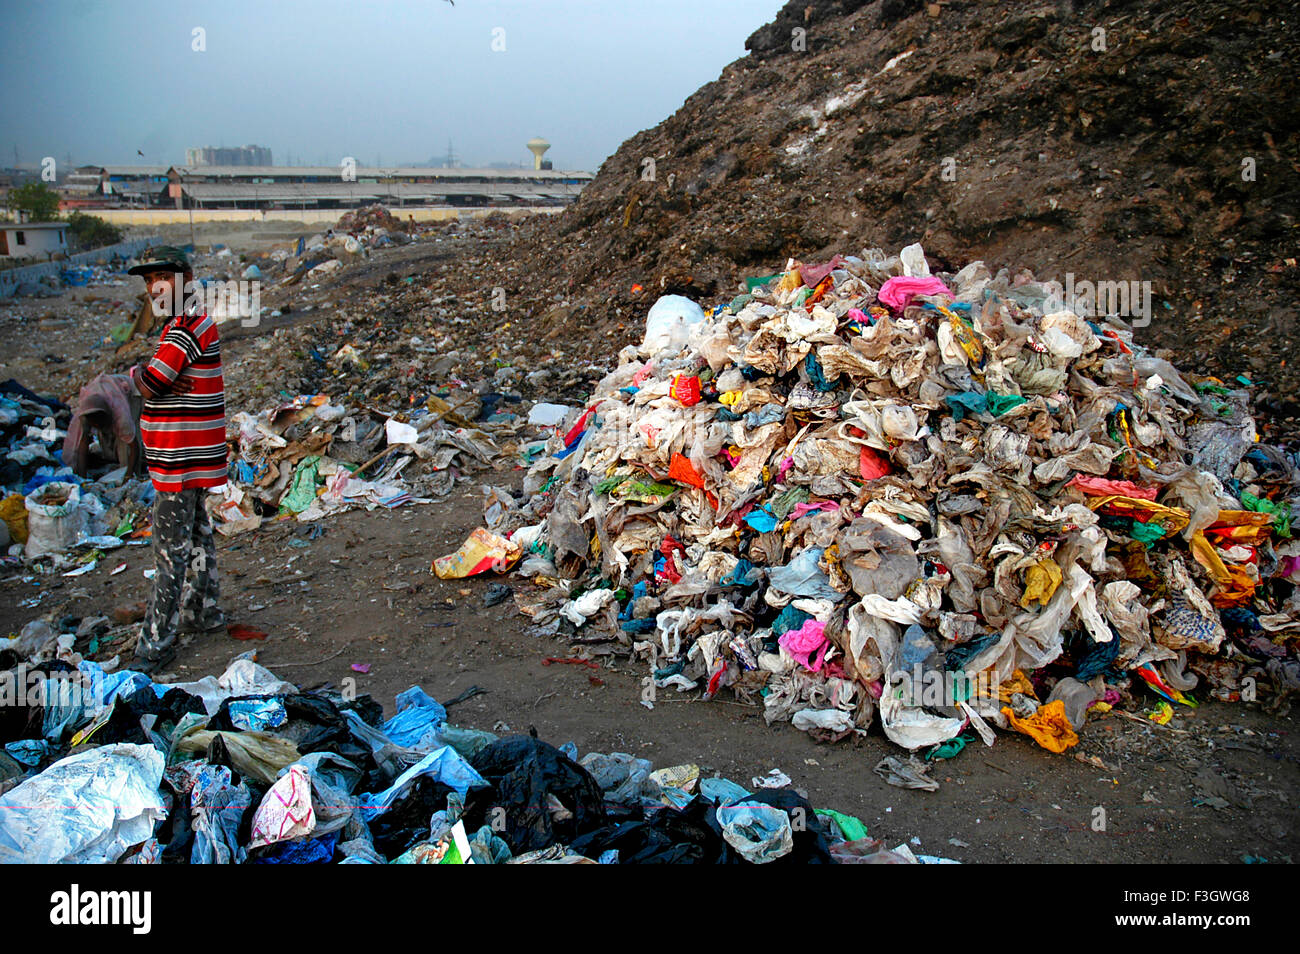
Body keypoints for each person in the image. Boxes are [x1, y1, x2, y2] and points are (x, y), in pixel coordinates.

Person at [125, 246, 228, 673]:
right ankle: (203, 611)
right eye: (149, 281)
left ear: (184, 279)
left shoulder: (183, 329)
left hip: (178, 458)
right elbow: (161, 381)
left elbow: (150, 382)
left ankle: (155, 644)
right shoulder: (192, 323)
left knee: (169, 553)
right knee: (199, 535)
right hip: (193, 456)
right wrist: (156, 380)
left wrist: (135, 375)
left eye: (161, 278)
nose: (154, 287)